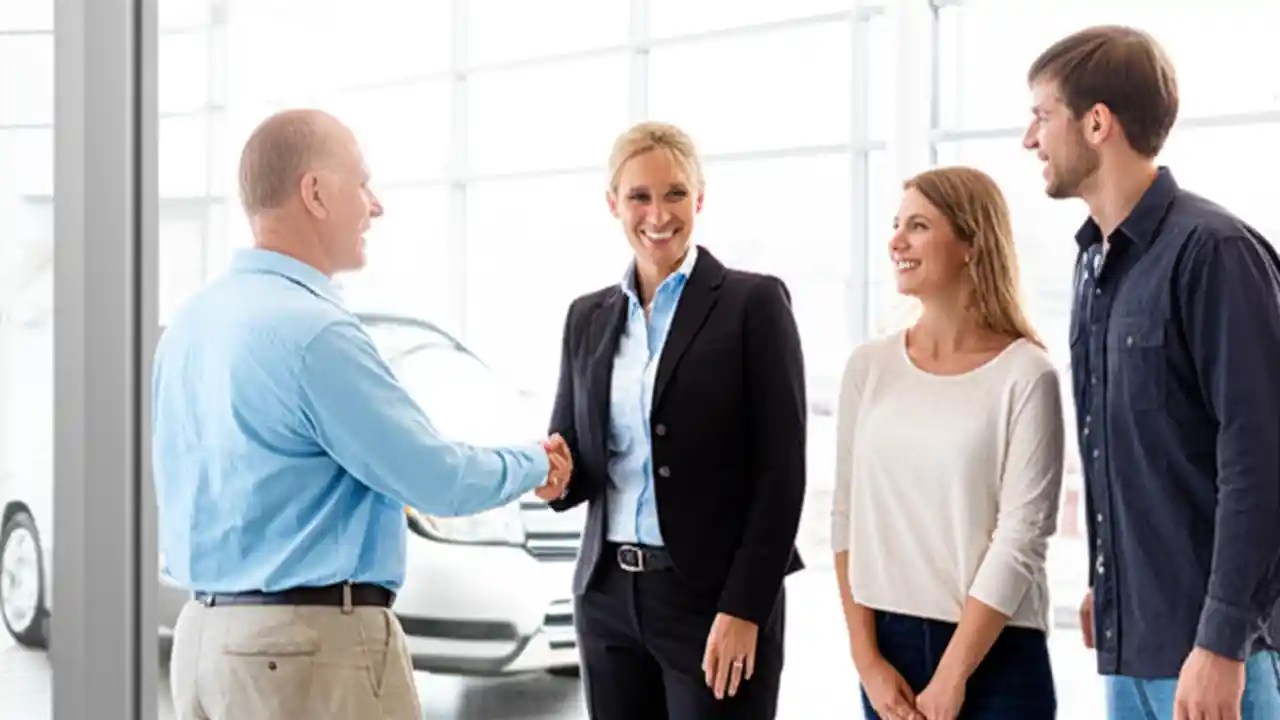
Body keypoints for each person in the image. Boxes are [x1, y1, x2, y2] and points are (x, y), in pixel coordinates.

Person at [152, 109, 572, 720]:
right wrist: (533, 464)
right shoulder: (313, 332)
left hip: (205, 643)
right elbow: (433, 476)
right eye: (362, 184)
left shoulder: (191, 323)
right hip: (306, 654)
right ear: (315, 193)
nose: (376, 207)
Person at [1024, 25, 1280, 720]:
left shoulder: (1215, 253)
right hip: (1133, 640)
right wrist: (1110, 588)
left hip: (1217, 654)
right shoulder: (1094, 263)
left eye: (1042, 115)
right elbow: (1126, 449)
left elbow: (1258, 460)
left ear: (1098, 122)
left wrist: (1223, 642)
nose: (1030, 139)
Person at [545, 121, 807, 719]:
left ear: (700, 198)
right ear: (613, 204)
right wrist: (555, 479)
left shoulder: (753, 304)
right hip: (608, 596)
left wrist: (745, 608)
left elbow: (782, 475)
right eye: (639, 196)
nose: (658, 214)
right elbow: (577, 459)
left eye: (675, 194)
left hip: (713, 601)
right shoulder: (586, 317)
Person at [832, 166, 1064, 720]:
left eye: (917, 226)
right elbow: (847, 519)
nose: (896, 241)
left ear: (969, 244)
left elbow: (1022, 537)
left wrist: (953, 674)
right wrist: (866, 662)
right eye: (895, 225)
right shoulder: (869, 367)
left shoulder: (1027, 375)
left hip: (999, 652)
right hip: (887, 649)